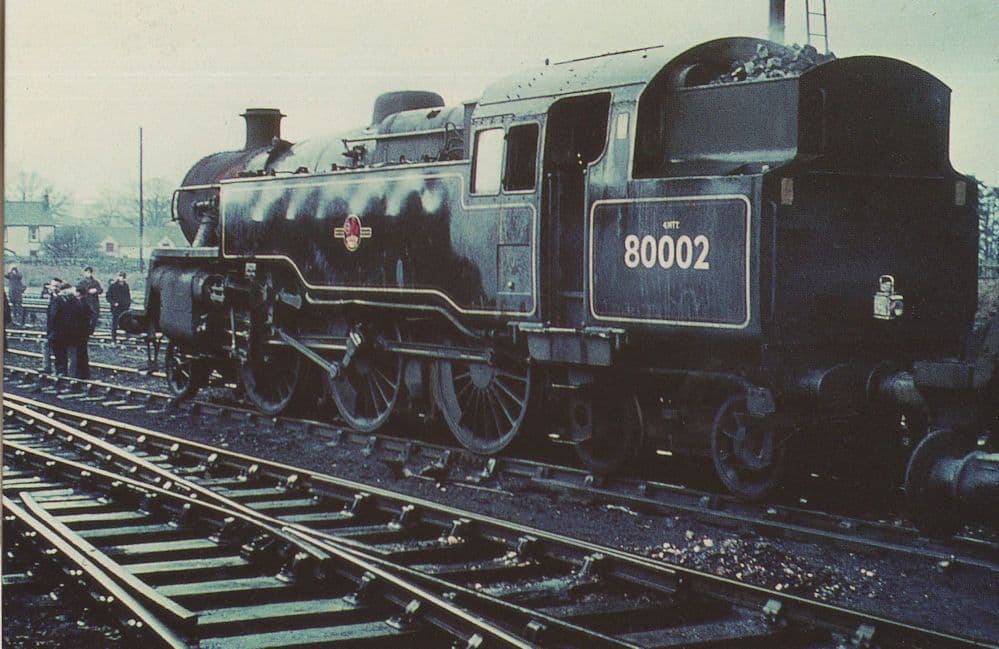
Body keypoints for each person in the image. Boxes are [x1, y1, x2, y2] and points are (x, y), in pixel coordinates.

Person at [43, 277, 63, 373]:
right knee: (50, 347)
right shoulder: (53, 297)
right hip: (52, 329)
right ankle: (49, 368)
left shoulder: (61, 299)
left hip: (58, 330)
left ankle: (59, 370)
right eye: (52, 286)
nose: (53, 288)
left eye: (56, 286)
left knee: (58, 351)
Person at [77, 266, 103, 335]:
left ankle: (90, 332)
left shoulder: (95, 282)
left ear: (91, 273)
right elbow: (78, 291)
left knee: (94, 319)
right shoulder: (81, 282)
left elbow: (100, 290)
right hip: (84, 303)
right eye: (86, 272)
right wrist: (86, 291)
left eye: (89, 272)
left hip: (94, 304)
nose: (88, 274)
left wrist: (96, 290)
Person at [107, 271, 132, 343]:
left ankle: (127, 338)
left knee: (126, 323)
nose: (121, 278)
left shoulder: (126, 286)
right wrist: (113, 303)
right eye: (120, 276)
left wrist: (128, 304)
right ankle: (113, 339)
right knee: (114, 324)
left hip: (124, 308)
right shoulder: (113, 286)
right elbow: (108, 297)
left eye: (122, 277)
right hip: (116, 308)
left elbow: (128, 296)